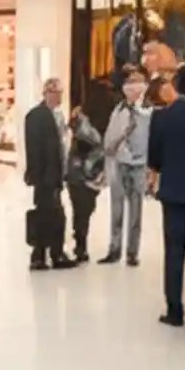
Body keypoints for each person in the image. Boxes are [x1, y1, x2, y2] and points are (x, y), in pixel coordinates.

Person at [150, 65, 185, 326]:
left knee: (174, 254)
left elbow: (154, 157)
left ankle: (175, 311)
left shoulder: (163, 117)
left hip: (175, 195)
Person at [24, 77, 77, 271]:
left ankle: (53, 253)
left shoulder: (58, 116)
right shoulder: (35, 116)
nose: (58, 96)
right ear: (46, 93)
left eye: (60, 92)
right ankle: (44, 254)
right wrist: (36, 175)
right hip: (45, 176)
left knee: (53, 214)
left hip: (55, 175)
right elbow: (34, 149)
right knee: (47, 214)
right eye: (54, 92)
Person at [100, 70, 151, 265]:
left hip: (139, 164)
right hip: (119, 162)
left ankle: (132, 252)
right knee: (117, 208)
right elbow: (109, 137)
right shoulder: (119, 110)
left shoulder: (149, 112)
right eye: (129, 82)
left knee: (136, 210)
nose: (132, 86)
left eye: (137, 82)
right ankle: (114, 248)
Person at [65, 107, 106, 263]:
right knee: (82, 214)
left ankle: (80, 245)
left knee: (81, 214)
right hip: (81, 180)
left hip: (80, 180)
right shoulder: (86, 135)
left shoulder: (85, 137)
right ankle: (80, 245)